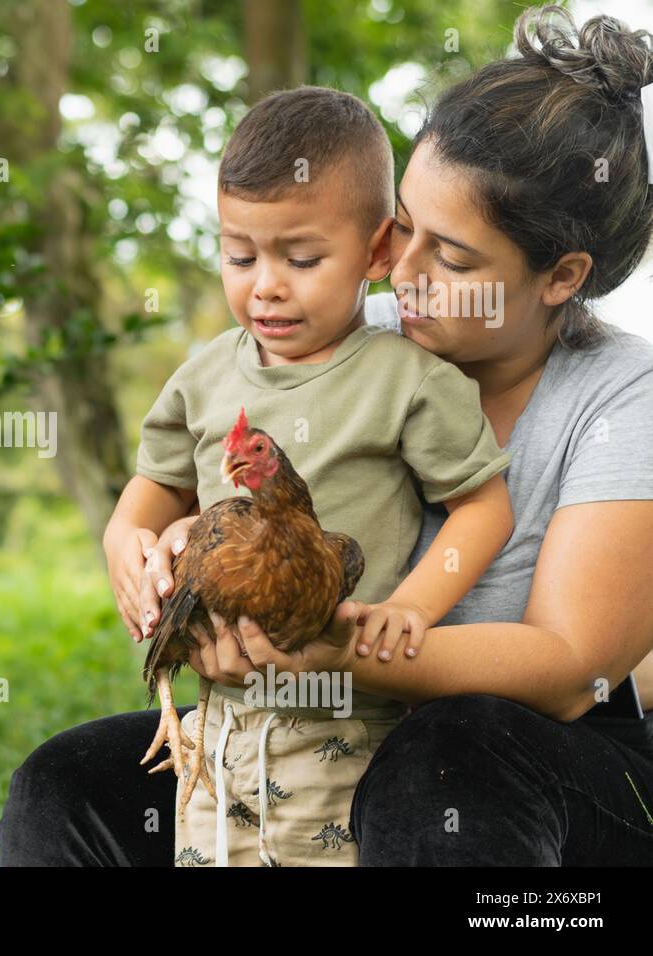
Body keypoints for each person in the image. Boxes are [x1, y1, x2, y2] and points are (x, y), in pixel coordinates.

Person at [0, 4, 653, 866]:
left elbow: (572, 671)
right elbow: (187, 483)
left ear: (561, 277)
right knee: (68, 784)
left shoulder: (622, 397)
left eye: (452, 260)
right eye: (402, 227)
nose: (402, 270)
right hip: (318, 730)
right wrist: (146, 546)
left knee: (449, 758)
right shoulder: (342, 336)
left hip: (537, 767)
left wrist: (325, 654)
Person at [109, 83, 513, 868]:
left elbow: (482, 504)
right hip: (217, 717)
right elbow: (153, 488)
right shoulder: (201, 376)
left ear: (375, 252)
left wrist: (408, 609)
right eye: (239, 255)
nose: (266, 285)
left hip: (347, 717)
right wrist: (124, 541)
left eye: (301, 258)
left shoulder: (409, 379)